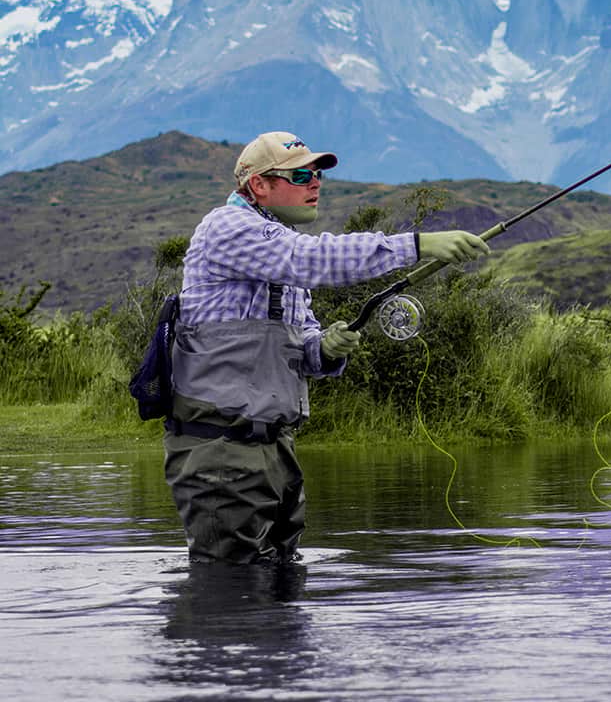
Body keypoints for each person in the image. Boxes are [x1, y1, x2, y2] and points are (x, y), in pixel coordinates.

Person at [165, 131, 489, 564]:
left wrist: (326, 349)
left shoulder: (275, 249)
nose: (315, 183)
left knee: (281, 586)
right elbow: (310, 259)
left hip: (276, 449)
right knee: (228, 591)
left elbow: (305, 353)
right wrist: (418, 244)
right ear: (258, 185)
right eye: (300, 174)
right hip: (221, 450)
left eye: (317, 174)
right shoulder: (227, 228)